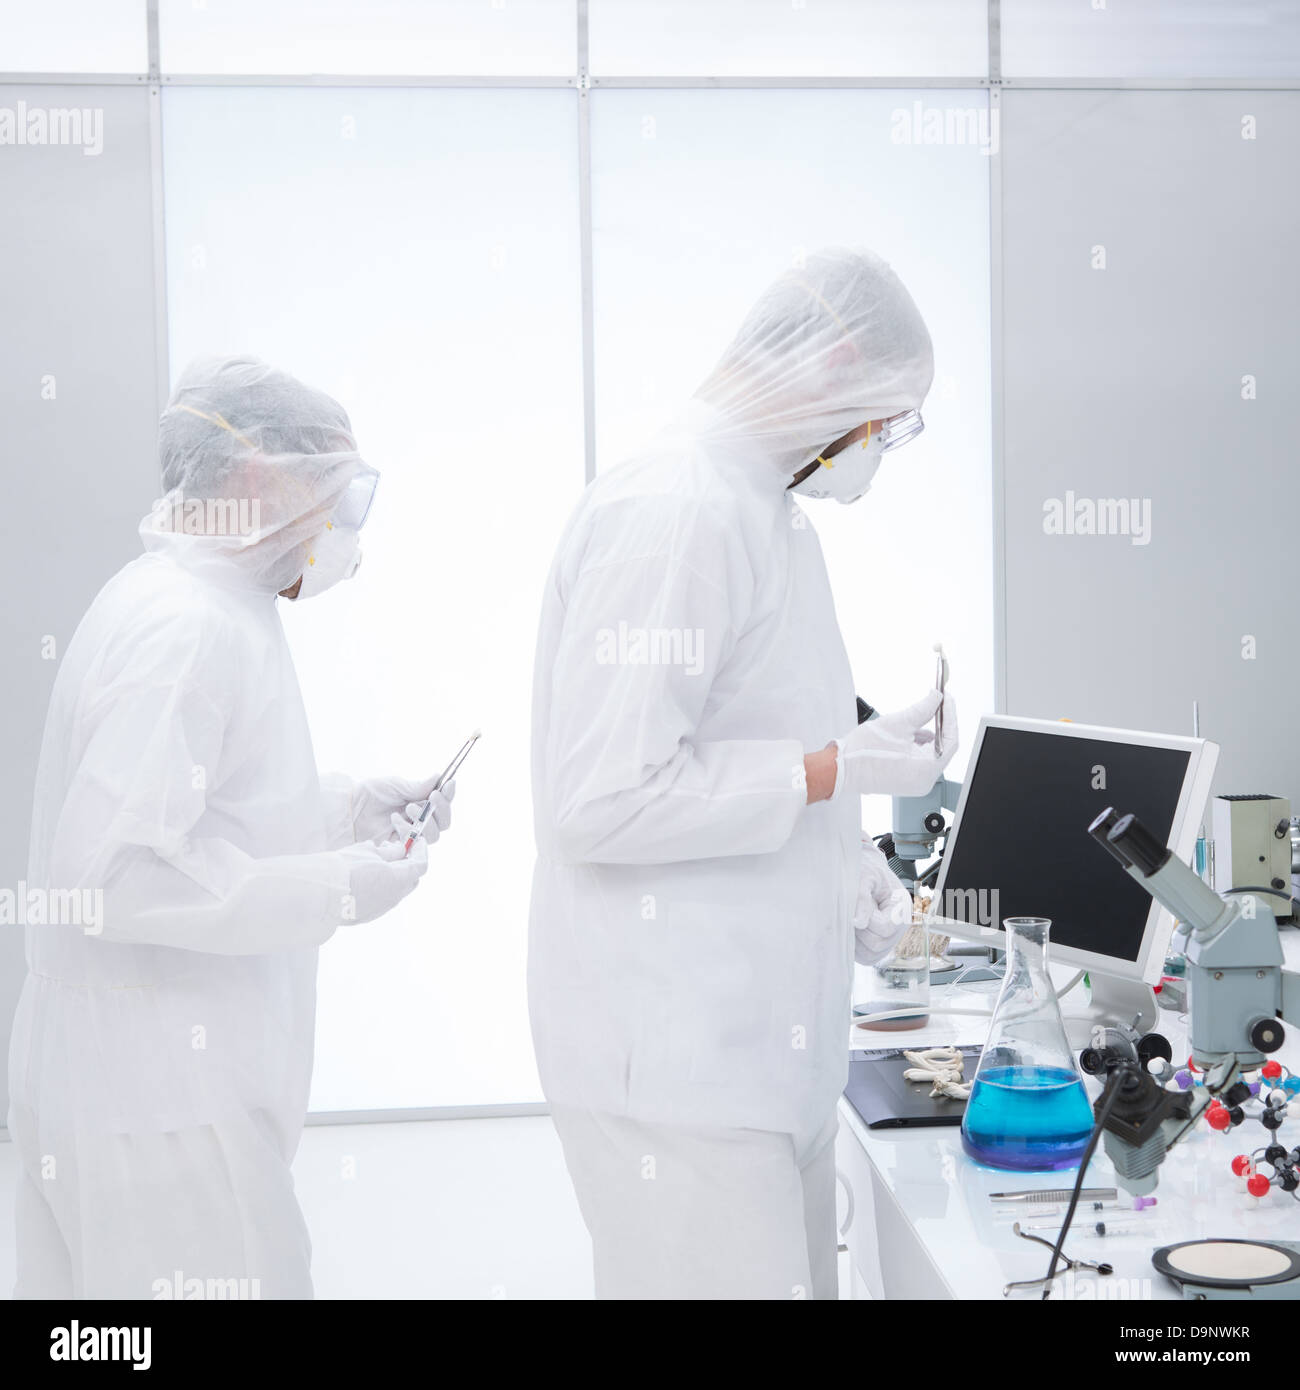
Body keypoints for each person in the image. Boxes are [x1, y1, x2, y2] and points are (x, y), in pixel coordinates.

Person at [528, 248, 957, 1300]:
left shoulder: (765, 511)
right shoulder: (677, 509)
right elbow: (601, 799)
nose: (877, 450)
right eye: (886, 421)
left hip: (756, 1062)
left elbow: (754, 745)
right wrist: (828, 770)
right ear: (838, 364)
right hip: (679, 1073)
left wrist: (853, 868)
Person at [9, 355, 454, 1299]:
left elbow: (202, 808)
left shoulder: (194, 599)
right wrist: (336, 886)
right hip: (163, 1111)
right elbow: (116, 875)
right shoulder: (187, 628)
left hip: (142, 1096)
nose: (341, 532)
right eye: (334, 498)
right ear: (256, 479)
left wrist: (346, 808)